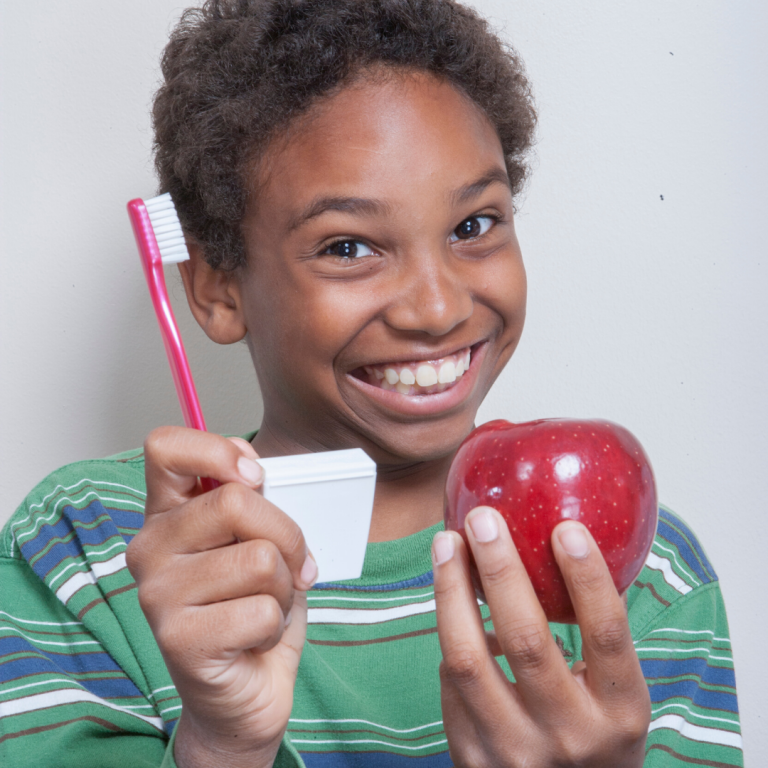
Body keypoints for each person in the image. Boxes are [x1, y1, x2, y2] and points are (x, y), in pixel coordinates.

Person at [0, 1, 742, 766]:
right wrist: (221, 745)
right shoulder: (84, 549)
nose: (438, 308)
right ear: (217, 288)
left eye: (473, 226)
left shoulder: (641, 575)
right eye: (349, 246)